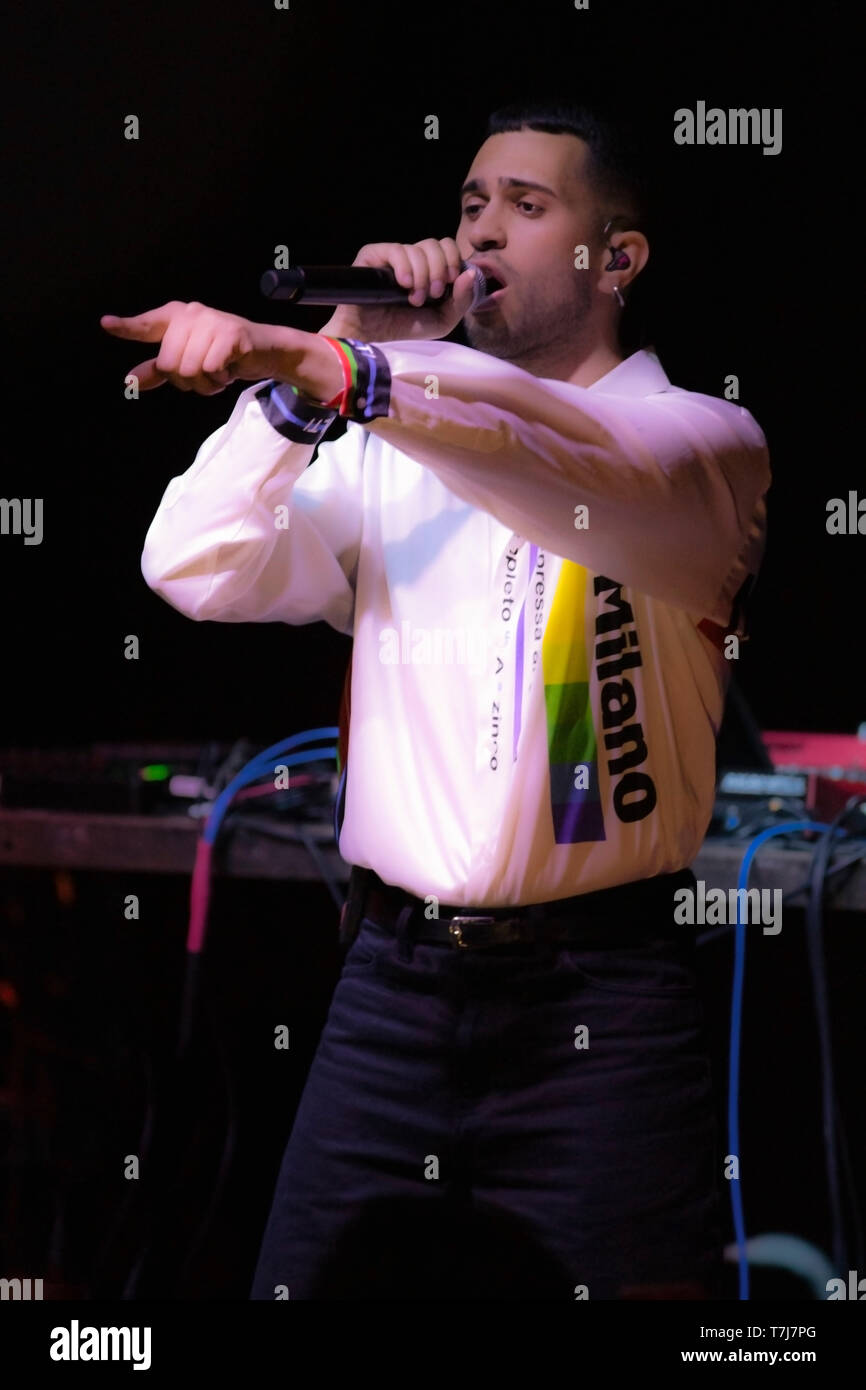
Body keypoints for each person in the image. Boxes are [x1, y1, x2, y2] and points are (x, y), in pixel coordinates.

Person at [101, 101, 770, 1300]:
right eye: (469, 205)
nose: (482, 232)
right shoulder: (387, 434)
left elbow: (560, 458)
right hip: (392, 991)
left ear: (615, 257)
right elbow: (192, 565)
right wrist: (334, 360)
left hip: (598, 1006)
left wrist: (348, 365)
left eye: (526, 206)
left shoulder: (700, 445)